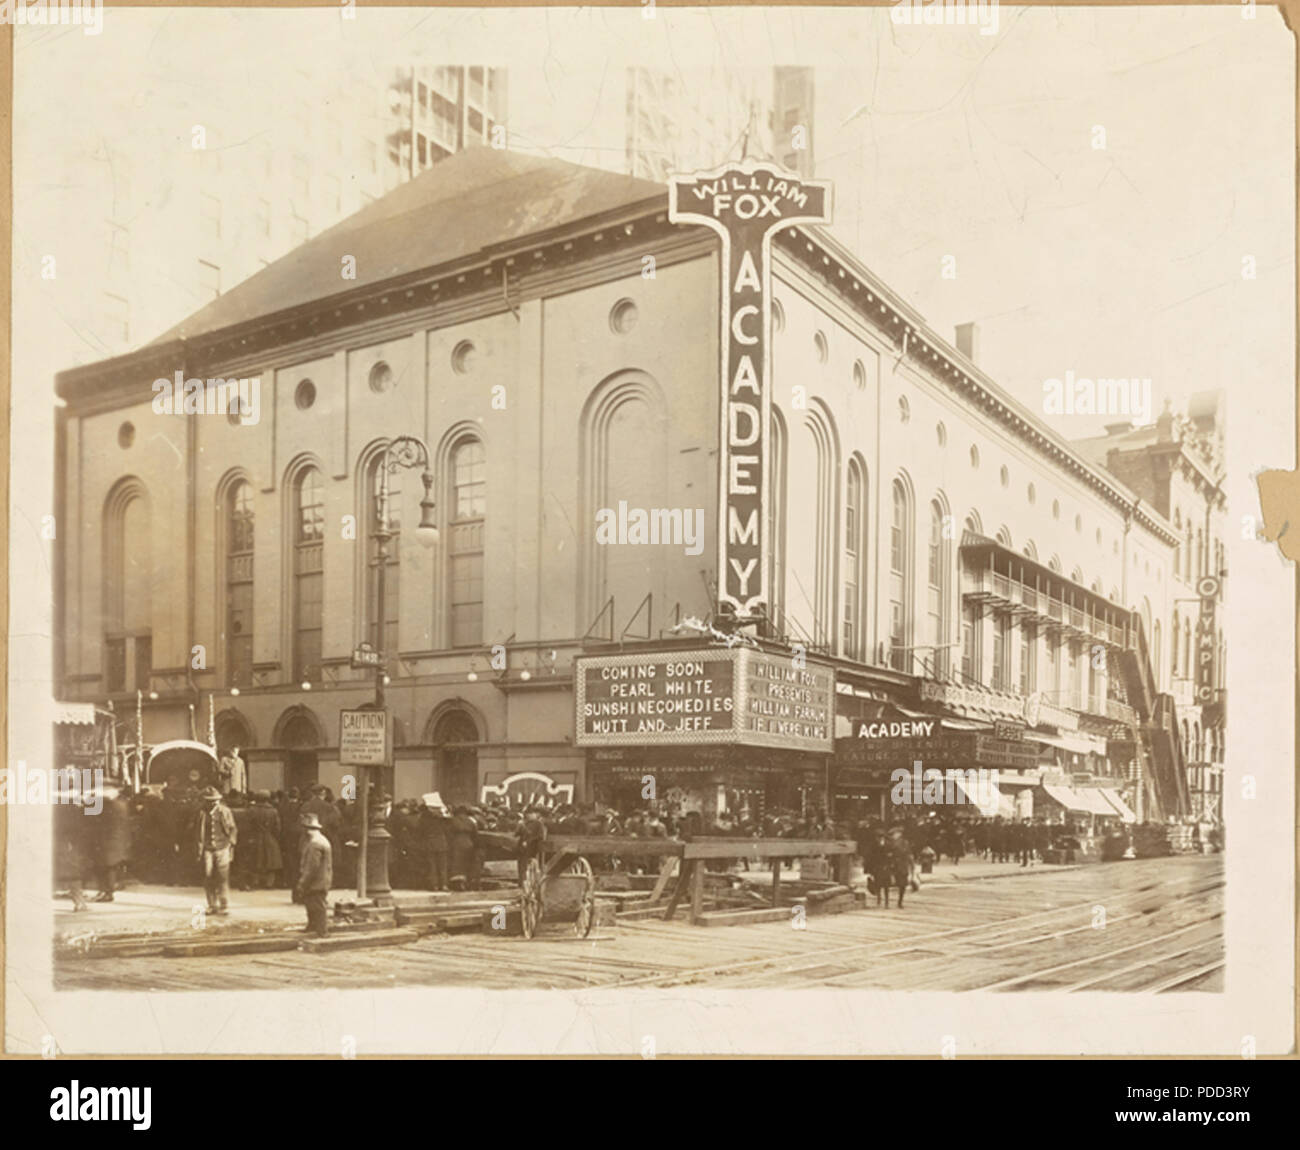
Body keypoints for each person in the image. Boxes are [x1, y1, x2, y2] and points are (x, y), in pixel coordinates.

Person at [193, 786, 238, 915]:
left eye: (215, 800)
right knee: (208, 876)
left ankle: (224, 905)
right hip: (207, 849)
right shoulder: (201, 813)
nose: (213, 803)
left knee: (223, 877)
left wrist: (231, 842)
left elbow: (232, 828)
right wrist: (198, 848)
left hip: (222, 847)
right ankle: (212, 905)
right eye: (210, 800)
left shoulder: (225, 811)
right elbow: (197, 831)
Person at [295, 812, 333, 937]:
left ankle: (322, 931)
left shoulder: (314, 844)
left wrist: (302, 882)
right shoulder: (322, 840)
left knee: (317, 905)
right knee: (312, 903)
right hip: (322, 879)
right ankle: (313, 927)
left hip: (317, 881)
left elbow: (311, 868)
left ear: (307, 830)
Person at [246, 792, 283, 889]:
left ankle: (255, 882)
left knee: (256, 860)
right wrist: (275, 837)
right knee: (271, 861)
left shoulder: (252, 810)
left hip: (255, 837)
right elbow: (277, 827)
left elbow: (247, 825)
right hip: (269, 837)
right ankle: (269, 883)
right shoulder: (273, 811)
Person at [419, 795, 451, 891]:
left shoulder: (424, 818)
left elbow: (420, 830)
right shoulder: (442, 818)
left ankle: (434, 885)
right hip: (442, 842)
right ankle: (444, 884)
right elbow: (448, 828)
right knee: (442, 865)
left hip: (430, 843)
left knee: (432, 865)